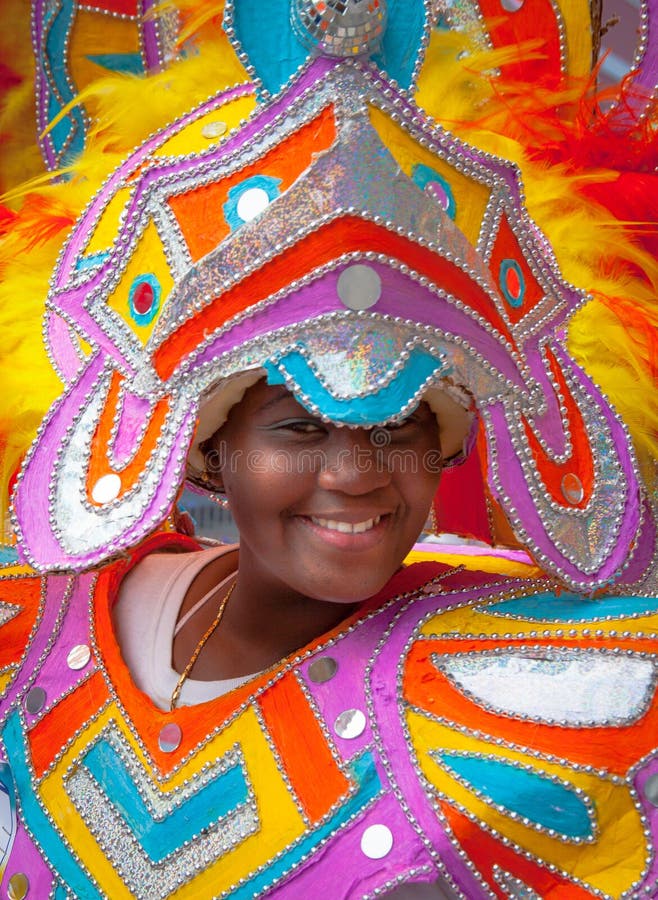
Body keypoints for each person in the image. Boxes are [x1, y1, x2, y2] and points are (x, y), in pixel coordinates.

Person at [1, 1, 658, 897]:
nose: (356, 476)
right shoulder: (28, 637)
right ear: (204, 453)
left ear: (446, 447)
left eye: (397, 428)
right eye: (301, 426)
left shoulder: (558, 686)